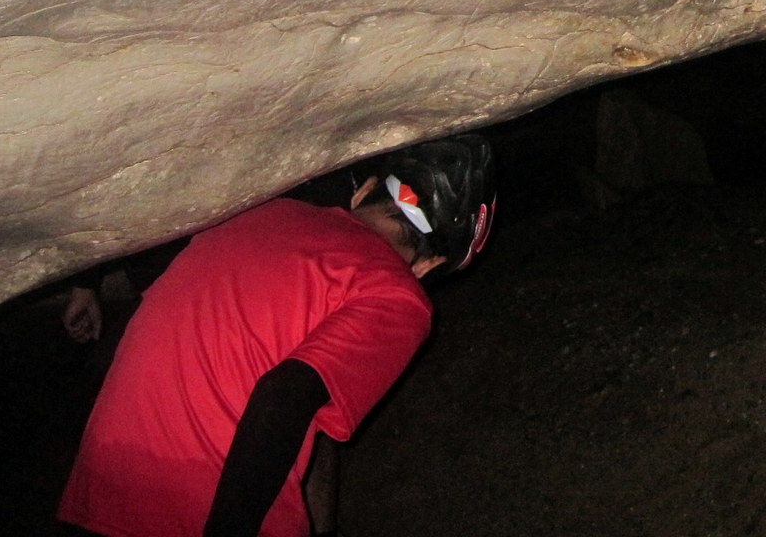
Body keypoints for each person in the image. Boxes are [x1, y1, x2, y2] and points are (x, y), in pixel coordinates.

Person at [58, 136, 496, 537]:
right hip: (202, 509)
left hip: (99, 492)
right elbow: (285, 394)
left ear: (363, 190)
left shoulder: (256, 213)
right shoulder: (396, 296)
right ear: (430, 265)